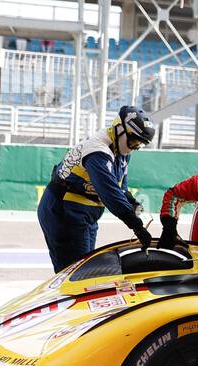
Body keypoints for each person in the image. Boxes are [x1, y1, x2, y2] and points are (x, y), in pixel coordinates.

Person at [37, 106, 155, 272]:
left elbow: (120, 186)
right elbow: (110, 193)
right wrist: (136, 225)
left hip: (83, 212)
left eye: (140, 144)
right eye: (134, 141)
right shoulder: (98, 150)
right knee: (76, 273)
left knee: (85, 269)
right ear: (120, 129)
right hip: (65, 210)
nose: (134, 147)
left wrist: (132, 202)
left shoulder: (121, 151)